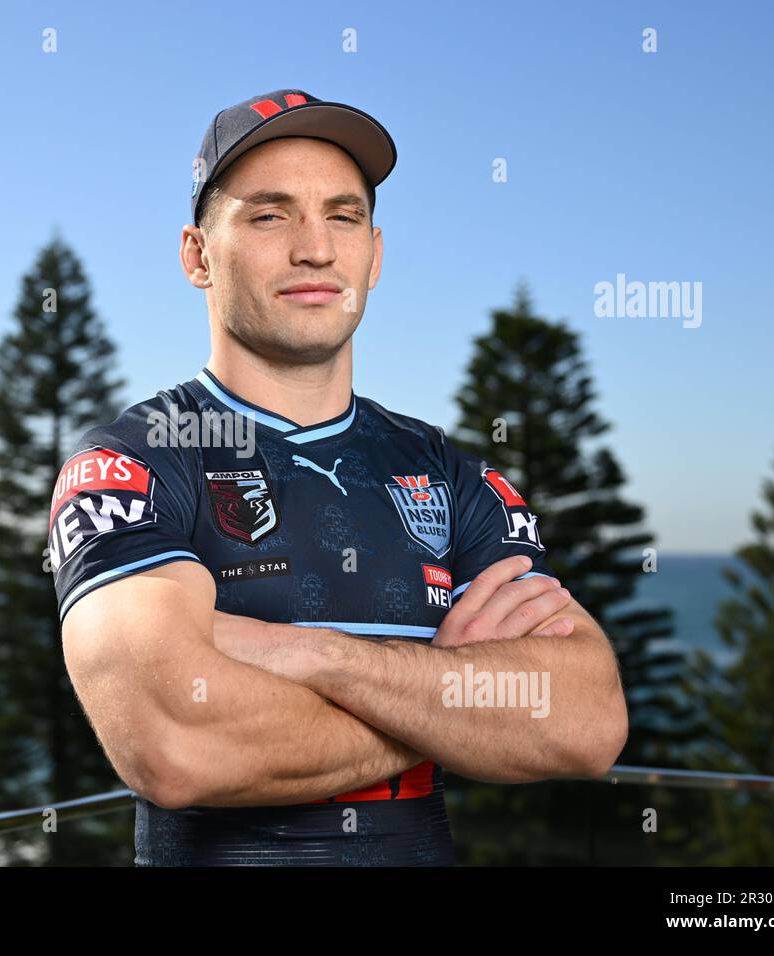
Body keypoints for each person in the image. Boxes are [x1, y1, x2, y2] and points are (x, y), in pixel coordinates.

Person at [47, 89, 627, 865]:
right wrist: (450, 689)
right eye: (269, 215)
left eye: (343, 216)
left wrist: (310, 655)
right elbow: (175, 744)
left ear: (374, 255)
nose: (314, 249)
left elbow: (585, 721)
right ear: (197, 255)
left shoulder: (450, 477)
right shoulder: (133, 464)